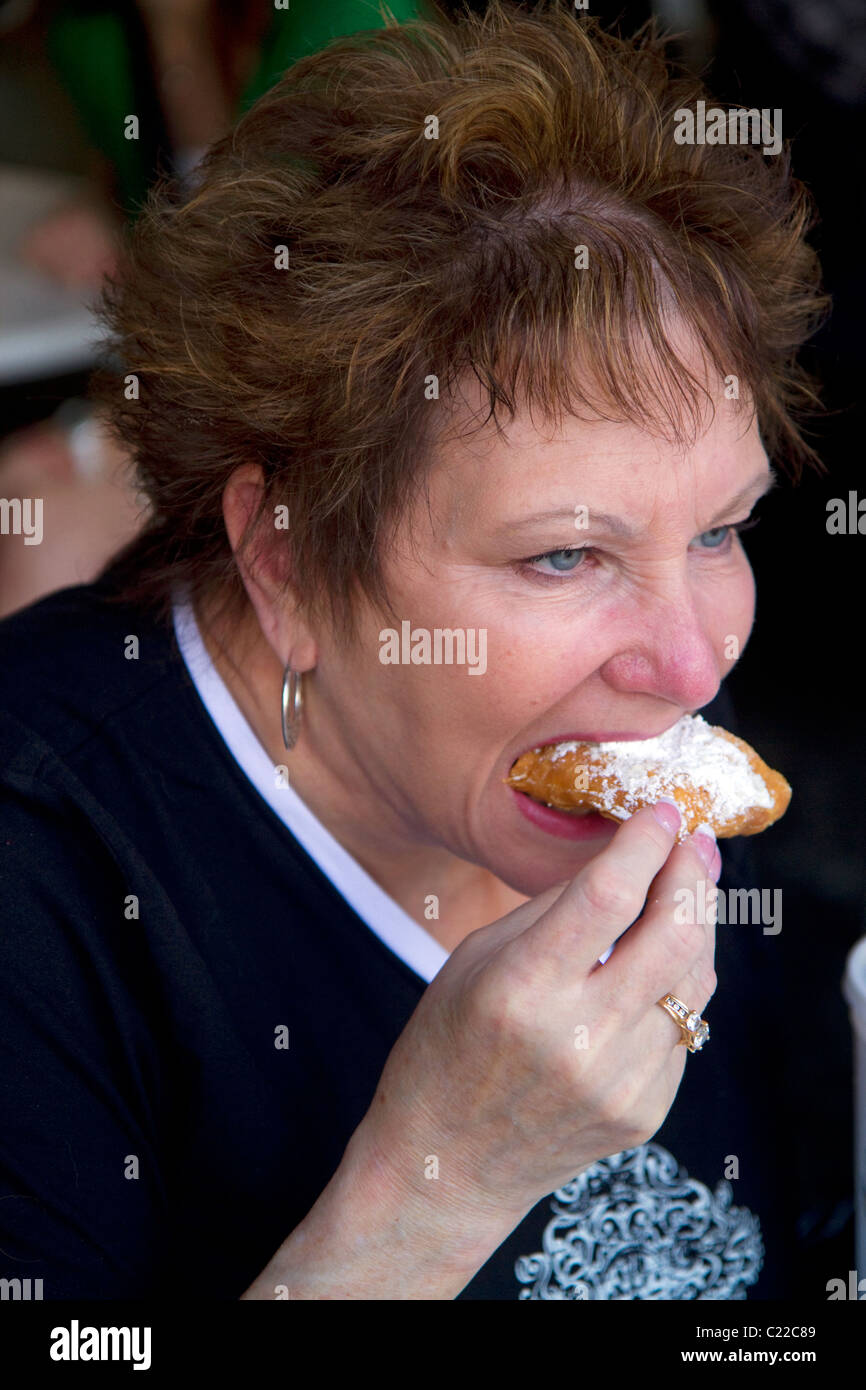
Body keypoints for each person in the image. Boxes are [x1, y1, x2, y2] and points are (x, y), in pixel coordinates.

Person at [0, 0, 828, 1300]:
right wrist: (435, 1179)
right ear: (282, 558)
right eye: (564, 555)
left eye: (720, 529)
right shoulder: (46, 891)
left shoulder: (659, 782)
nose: (690, 668)